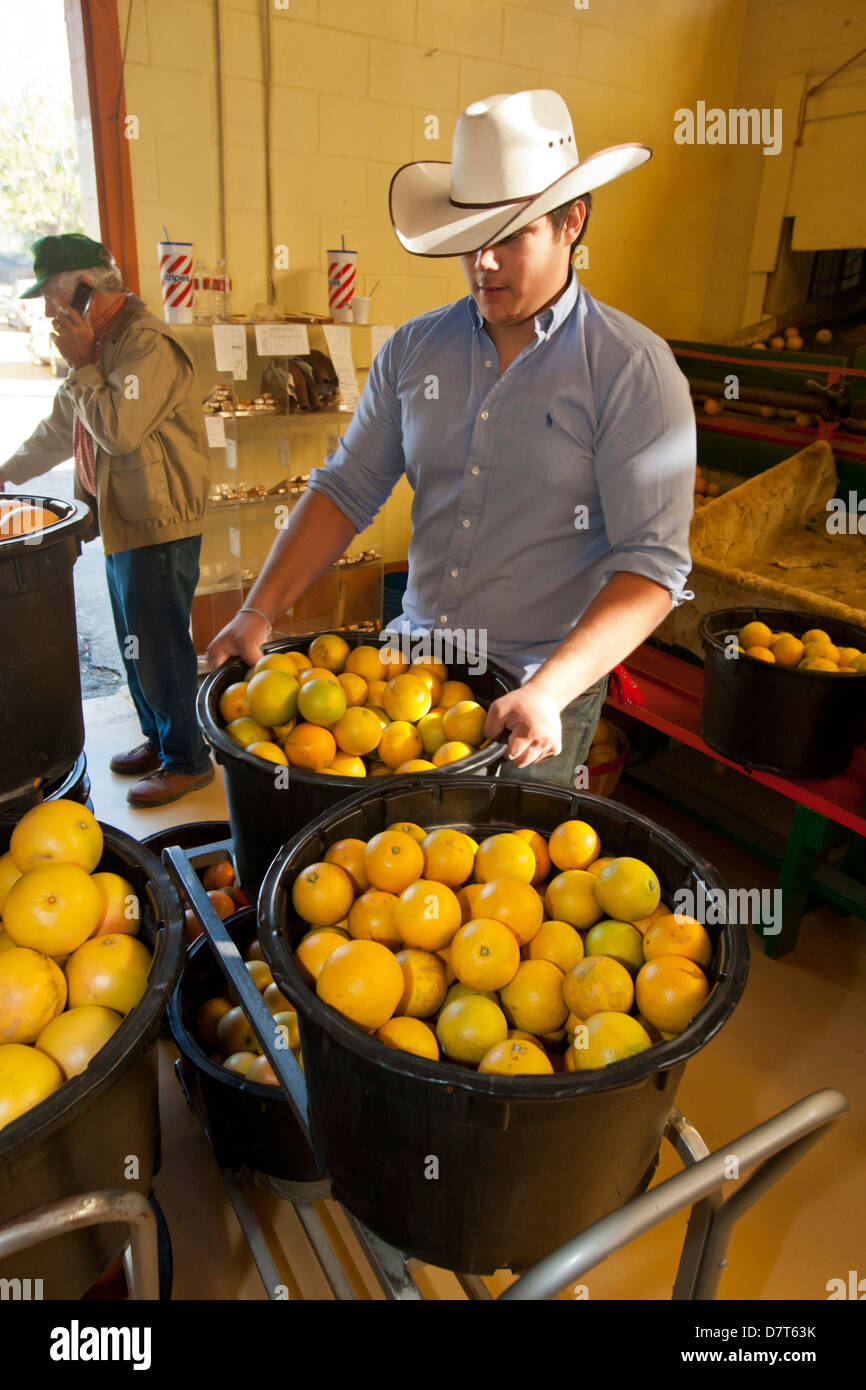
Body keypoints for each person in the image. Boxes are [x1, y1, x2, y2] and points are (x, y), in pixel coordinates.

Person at [209, 90, 696, 786]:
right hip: (403, 676)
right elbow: (346, 490)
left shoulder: (632, 372)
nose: (483, 264)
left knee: (504, 887)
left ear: (571, 223)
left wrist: (551, 691)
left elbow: (652, 566)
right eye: (470, 240)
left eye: (509, 237)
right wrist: (259, 610)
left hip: (534, 696)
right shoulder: (415, 350)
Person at [0, 234, 214, 806]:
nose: (47, 308)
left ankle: (188, 760)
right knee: (135, 640)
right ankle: (161, 738)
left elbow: (117, 429)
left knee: (162, 640)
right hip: (123, 519)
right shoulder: (99, 347)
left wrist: (84, 364)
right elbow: (62, 427)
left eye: (50, 291)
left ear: (88, 283)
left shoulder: (145, 344)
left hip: (159, 522)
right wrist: (6, 472)